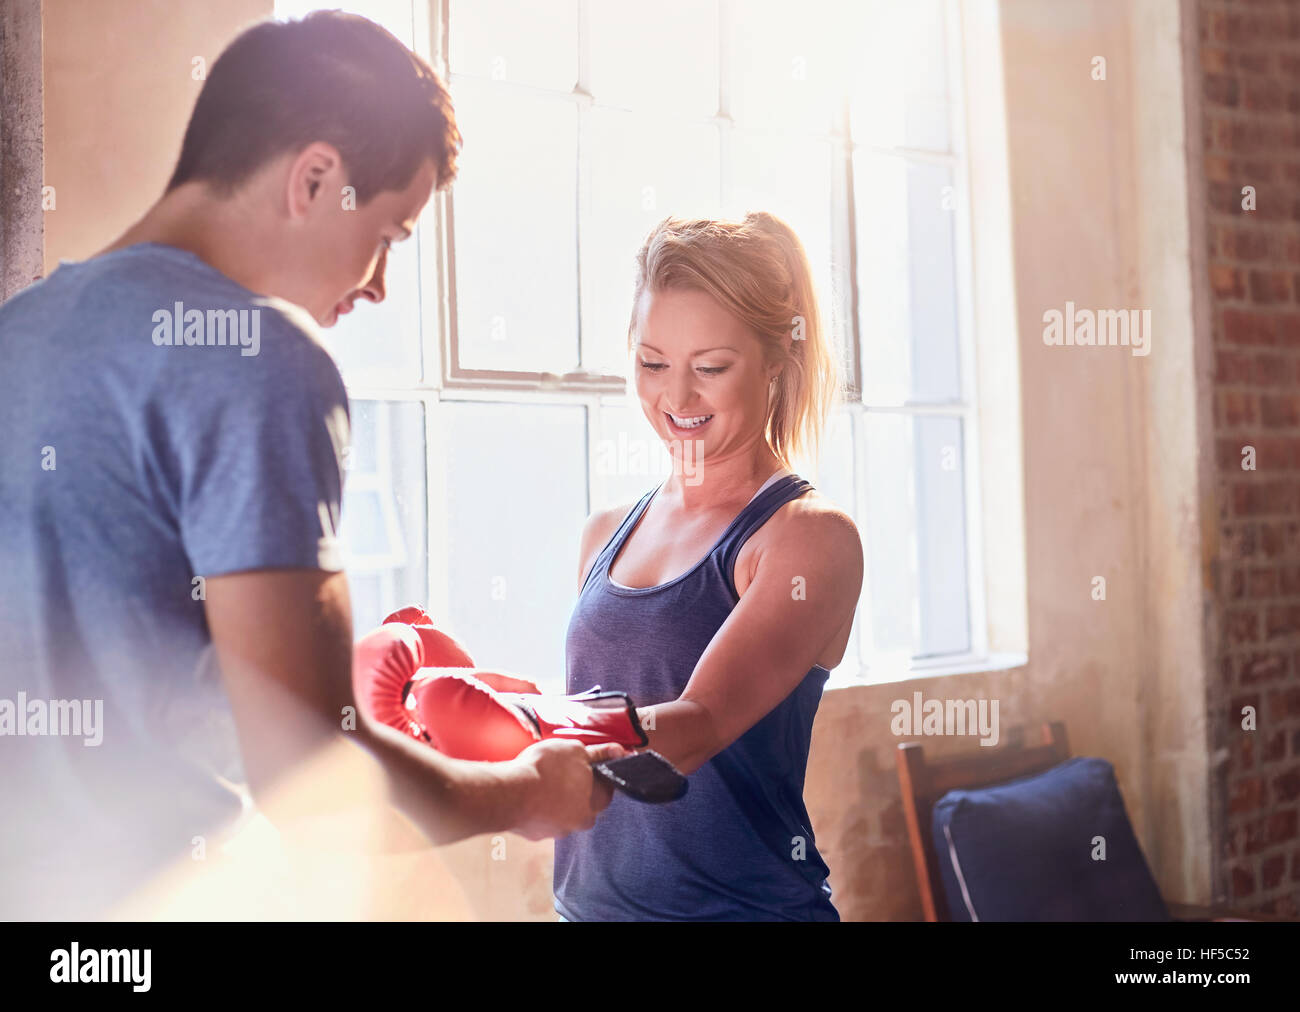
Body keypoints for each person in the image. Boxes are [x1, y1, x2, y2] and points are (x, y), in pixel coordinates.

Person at [0, 10, 618, 920]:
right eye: (391, 234)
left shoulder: (22, 332)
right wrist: (531, 793)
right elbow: (313, 770)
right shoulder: (260, 361)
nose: (375, 284)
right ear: (317, 178)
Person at [553, 213, 864, 921]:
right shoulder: (605, 533)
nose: (676, 399)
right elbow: (591, 713)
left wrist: (520, 742)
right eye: (653, 362)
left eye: (711, 368)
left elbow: (696, 725)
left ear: (777, 360)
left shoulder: (805, 539)